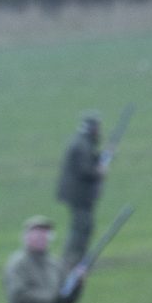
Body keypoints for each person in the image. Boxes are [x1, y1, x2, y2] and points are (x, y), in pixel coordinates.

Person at [55, 113, 105, 269]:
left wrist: (101, 157)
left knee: (82, 226)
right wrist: (99, 171)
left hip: (79, 194)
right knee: (81, 227)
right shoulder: (82, 144)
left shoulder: (83, 142)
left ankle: (77, 261)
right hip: (79, 195)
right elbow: (85, 170)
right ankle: (72, 261)